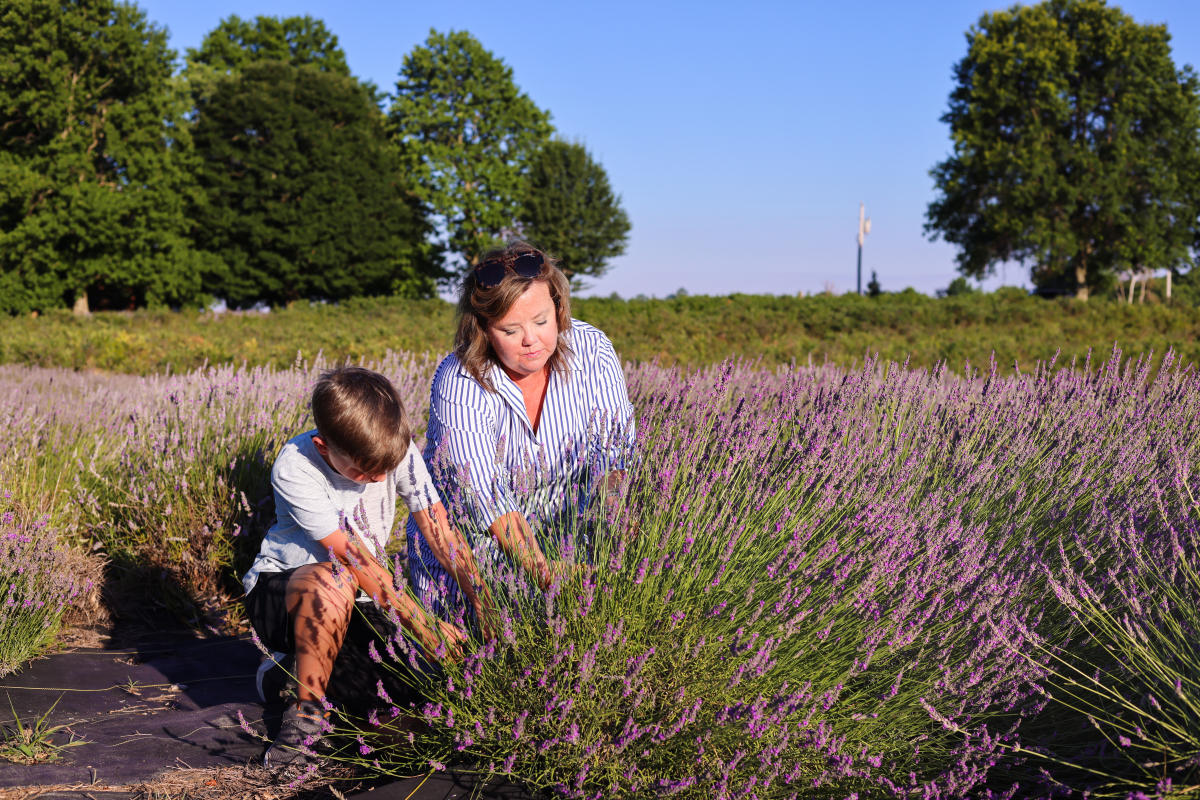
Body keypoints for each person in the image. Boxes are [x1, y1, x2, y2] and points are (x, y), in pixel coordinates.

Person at [242, 366, 487, 768]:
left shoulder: (396, 449)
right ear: (324, 447)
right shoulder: (297, 466)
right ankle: (305, 717)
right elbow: (352, 560)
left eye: (384, 470)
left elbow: (438, 527)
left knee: (402, 699)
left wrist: (483, 603)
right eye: (363, 471)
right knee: (334, 579)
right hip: (285, 593)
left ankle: (285, 671)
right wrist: (424, 626)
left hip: (359, 597)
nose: (376, 479)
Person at [407, 242, 635, 601]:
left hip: (572, 554)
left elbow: (612, 456)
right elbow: (482, 495)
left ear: (558, 308)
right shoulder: (461, 379)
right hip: (472, 569)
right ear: (483, 329)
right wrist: (549, 577)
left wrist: (617, 537)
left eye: (541, 321)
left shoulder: (592, 350)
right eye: (510, 330)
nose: (530, 339)